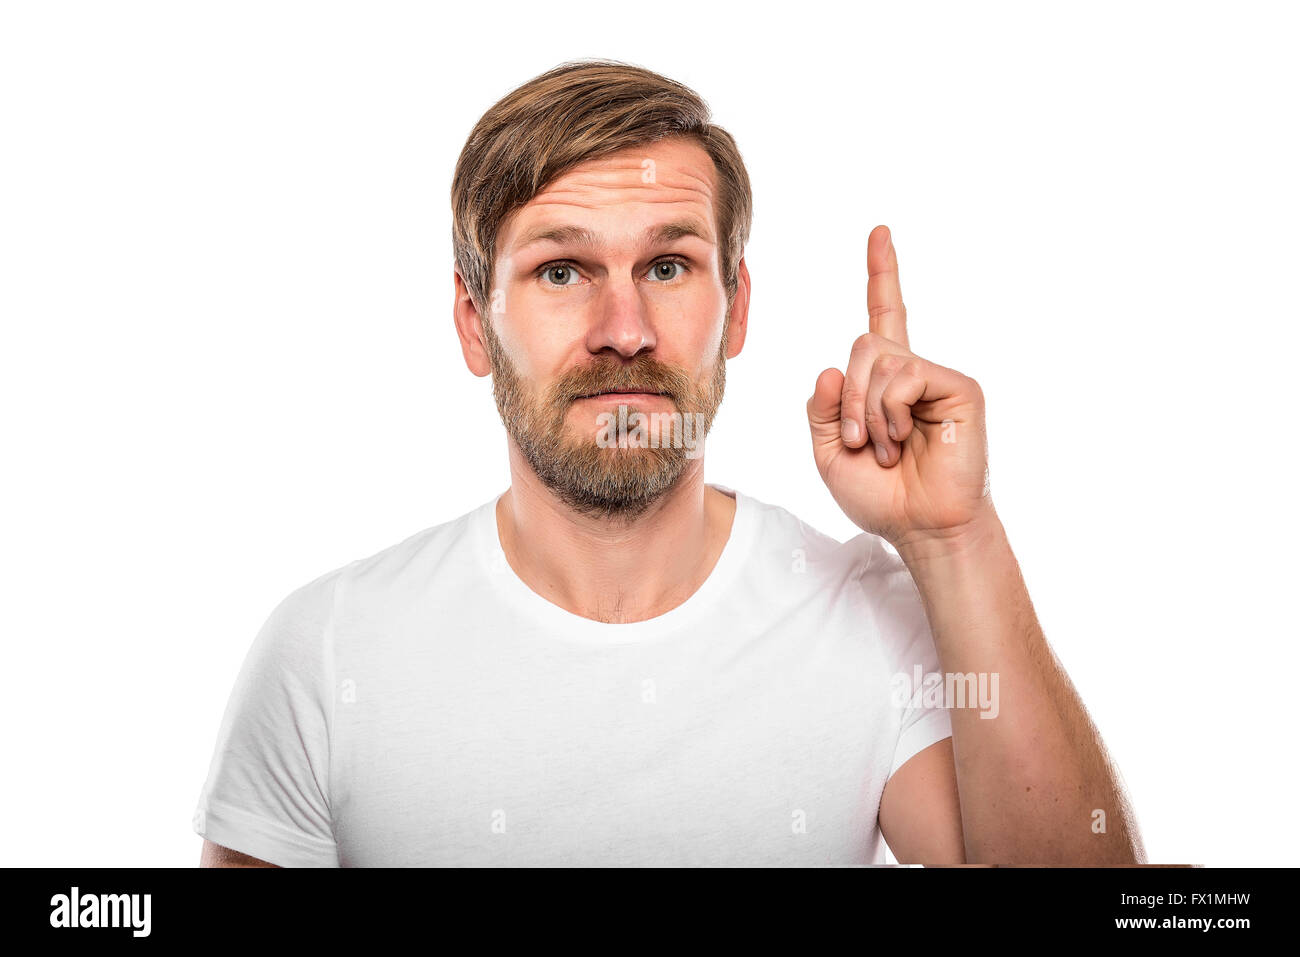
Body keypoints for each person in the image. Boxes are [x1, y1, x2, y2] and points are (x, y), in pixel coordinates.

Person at [194, 59, 1143, 866]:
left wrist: (954, 538)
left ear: (736, 308)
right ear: (474, 324)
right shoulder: (326, 652)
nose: (625, 332)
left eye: (668, 265)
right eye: (562, 271)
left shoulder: (871, 620)